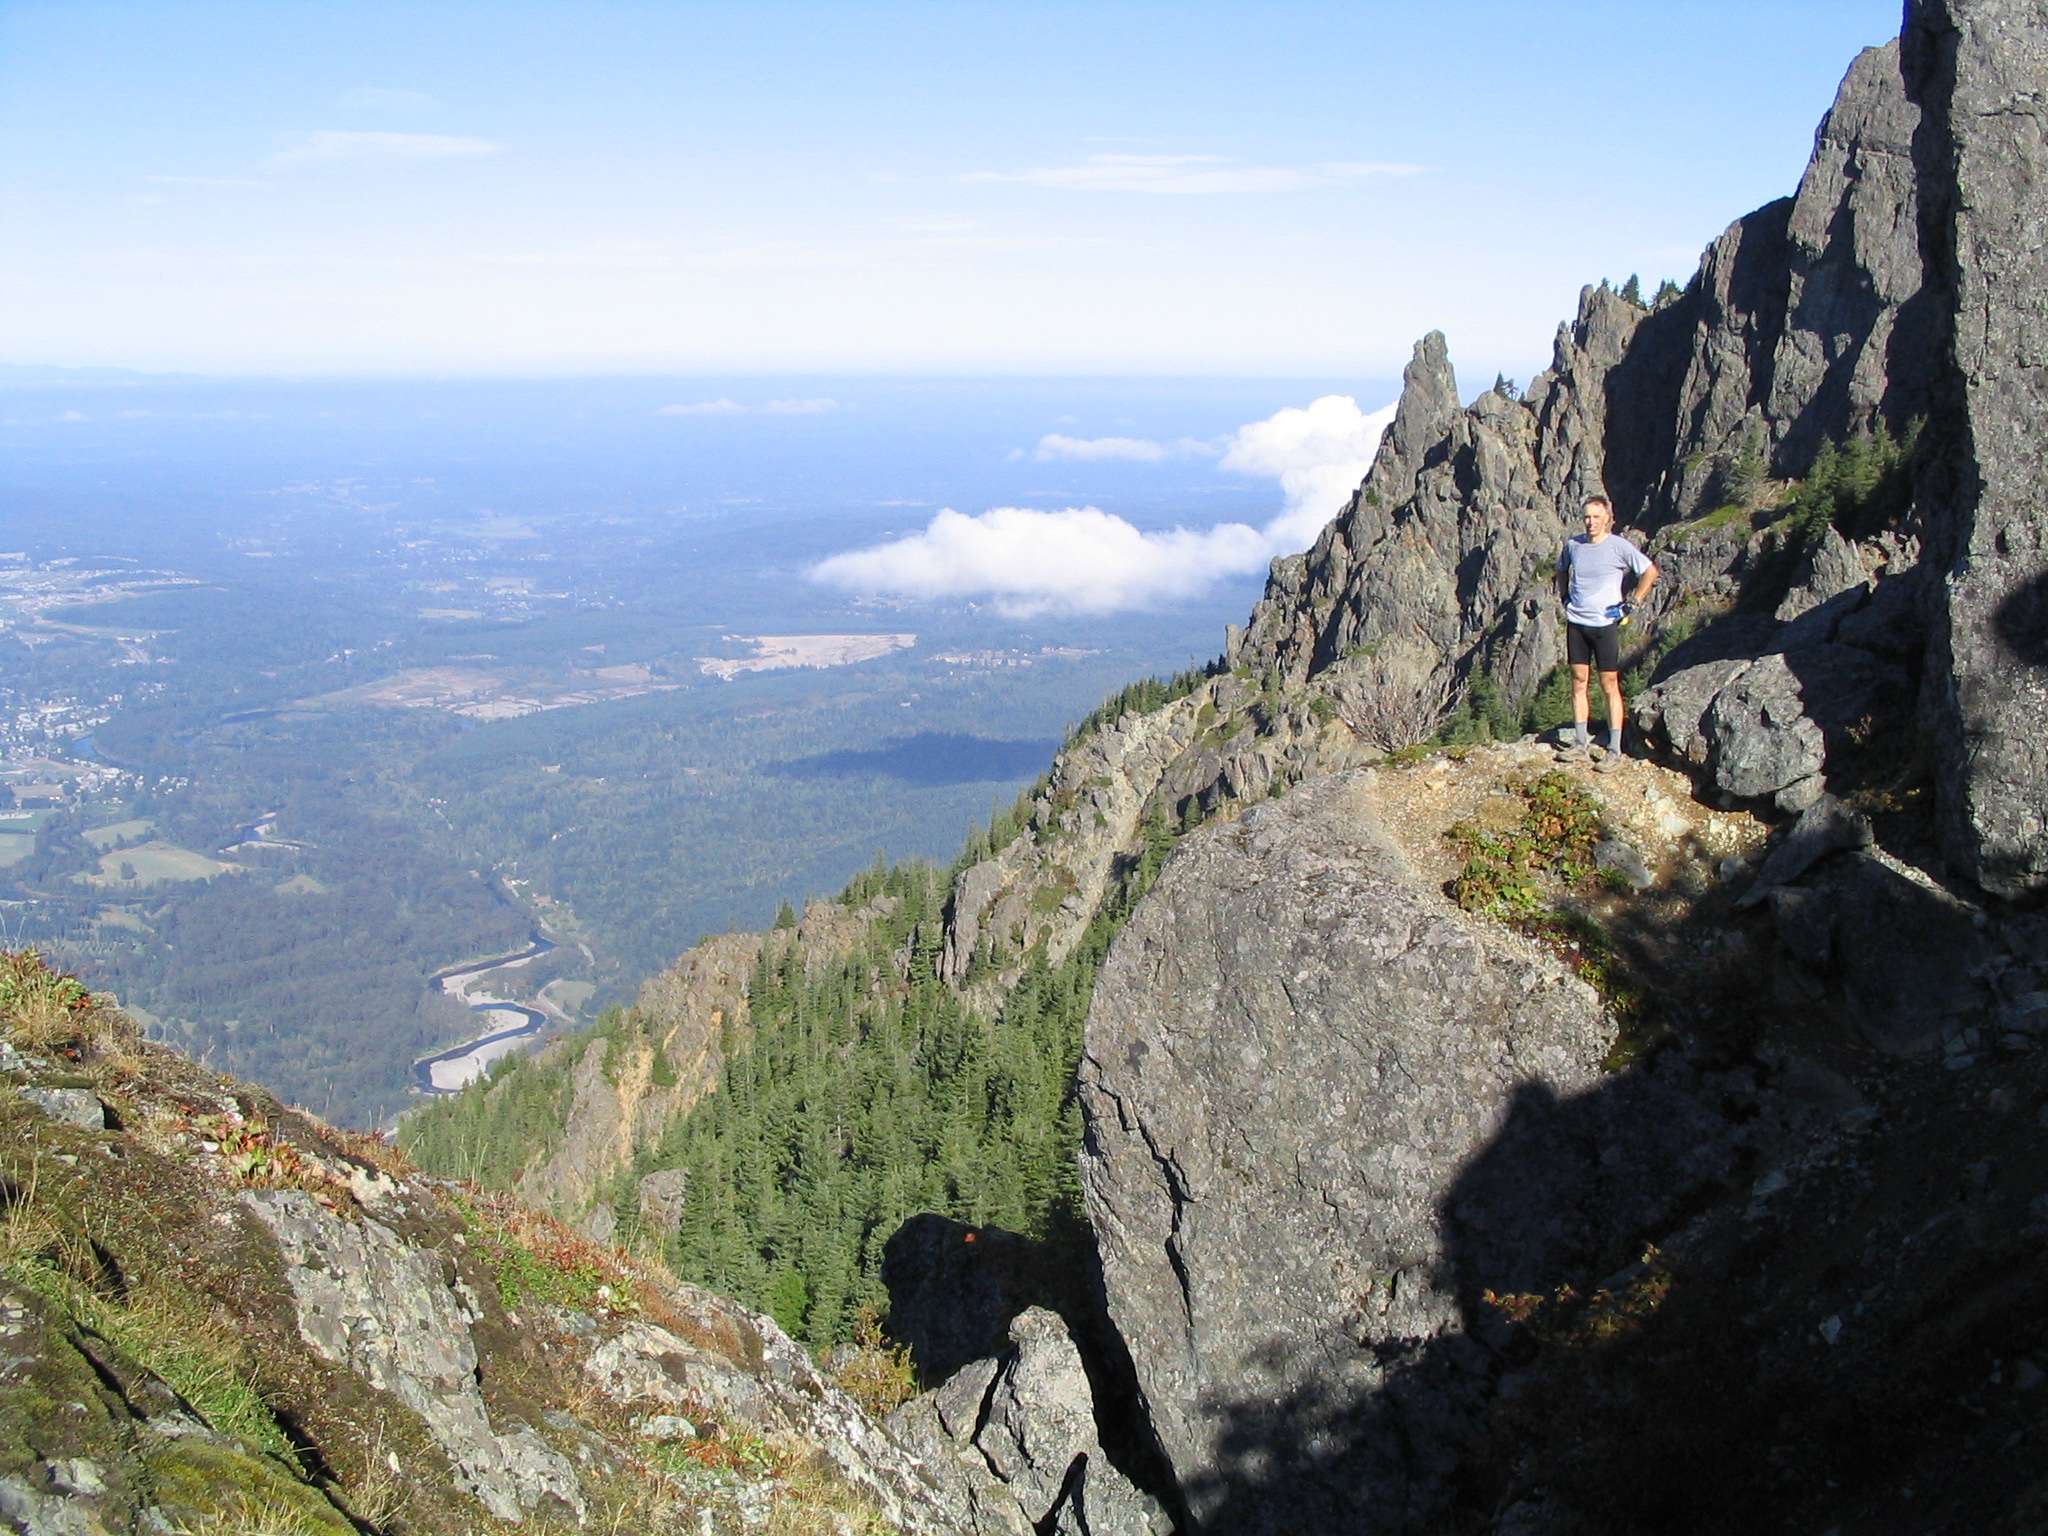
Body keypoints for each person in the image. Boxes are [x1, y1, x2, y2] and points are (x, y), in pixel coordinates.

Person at [1555, 494, 1658, 772]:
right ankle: (1580, 743)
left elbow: (1649, 571)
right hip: (1577, 622)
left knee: (1609, 684)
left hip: (1604, 626)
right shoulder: (1573, 546)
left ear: (1607, 519)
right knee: (1578, 681)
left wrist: (1633, 602)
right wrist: (1564, 596)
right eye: (1587, 517)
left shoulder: (1619, 547)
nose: (1591, 522)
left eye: (1596, 517)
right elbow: (1561, 570)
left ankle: (1614, 748)